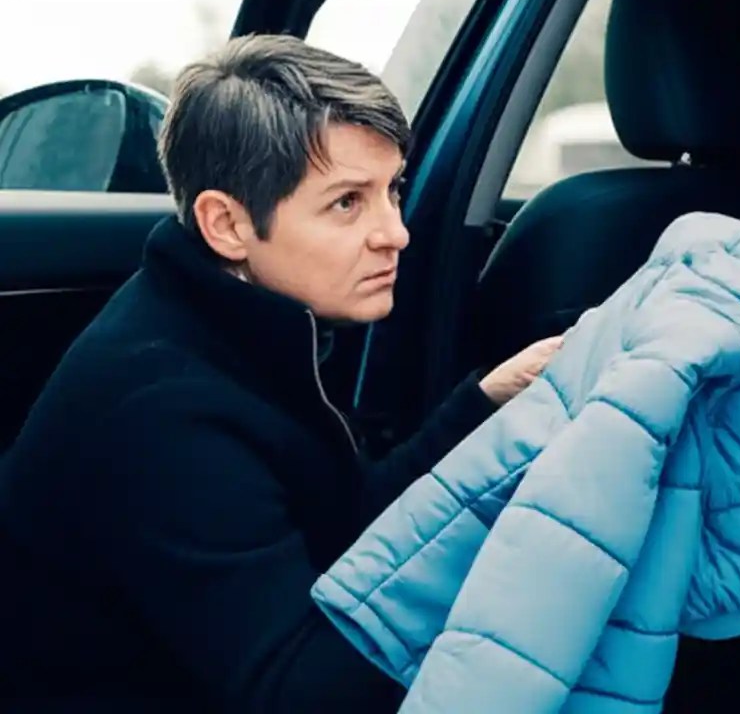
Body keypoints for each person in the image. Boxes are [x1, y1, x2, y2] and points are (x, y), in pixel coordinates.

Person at [0, 35, 557, 712]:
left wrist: (487, 404)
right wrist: (539, 552)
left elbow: (338, 526)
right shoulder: (160, 413)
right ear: (227, 225)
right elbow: (302, 692)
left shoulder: (240, 324)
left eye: (393, 189)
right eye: (348, 203)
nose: (396, 232)